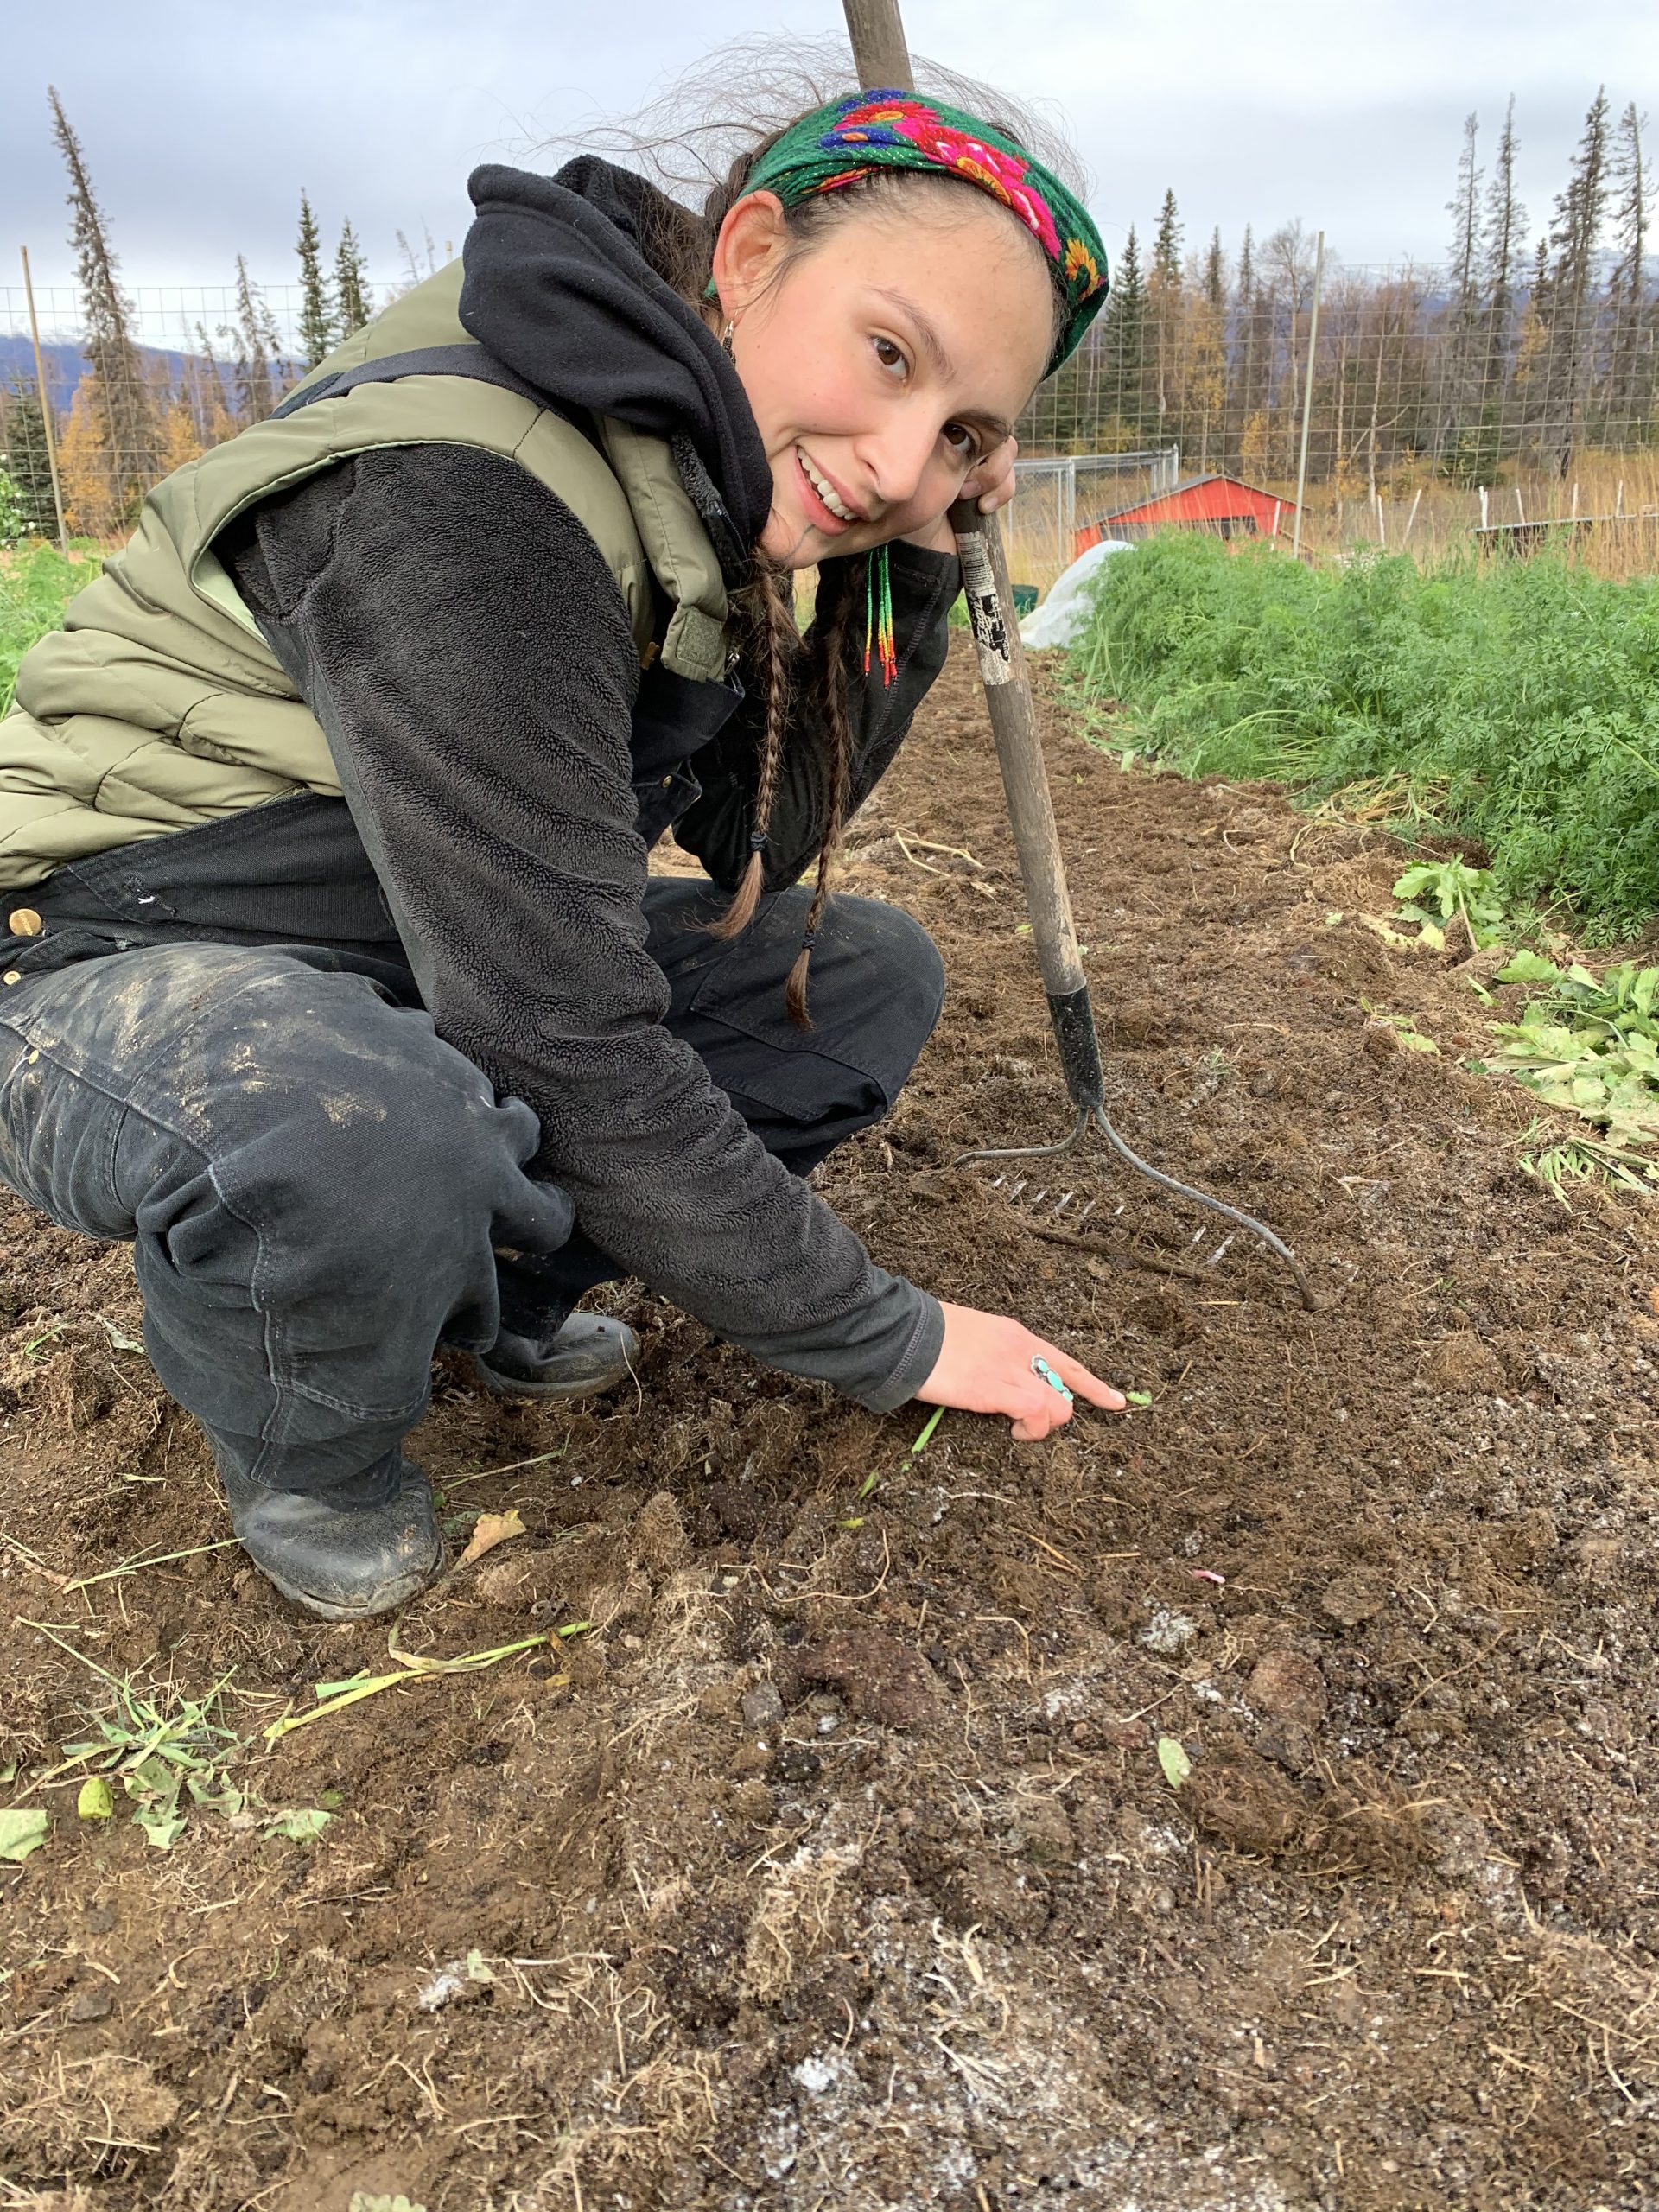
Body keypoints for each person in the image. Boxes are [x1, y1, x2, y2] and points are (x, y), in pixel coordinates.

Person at [0, 84, 1122, 1622]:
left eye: (964, 438)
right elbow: (561, 1034)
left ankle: (484, 1288)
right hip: (114, 952)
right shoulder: (479, 491)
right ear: (747, 254)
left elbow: (750, 841)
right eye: (889, 356)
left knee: (847, 980)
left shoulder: (682, 458)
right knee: (356, 1127)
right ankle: (309, 1445)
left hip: (401, 935)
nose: (900, 459)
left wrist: (917, 578)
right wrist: (896, 1336)